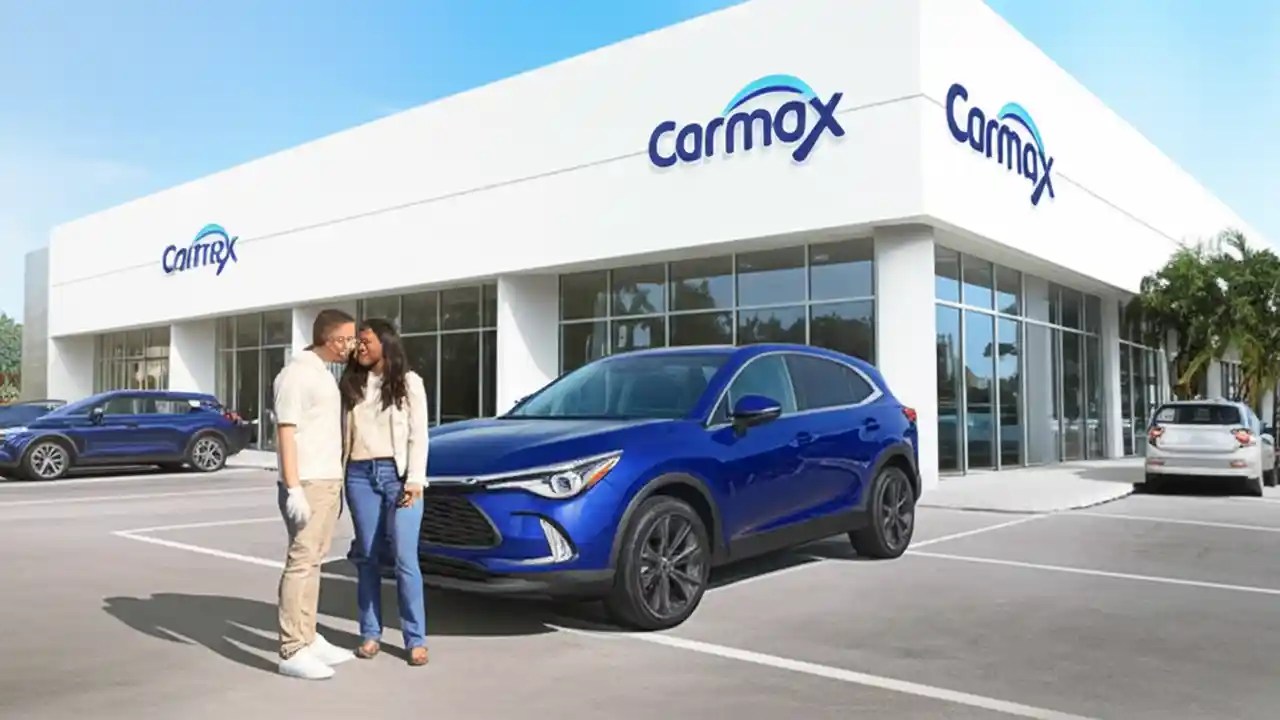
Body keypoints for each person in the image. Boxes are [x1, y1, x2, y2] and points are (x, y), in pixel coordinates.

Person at [338, 318, 430, 666]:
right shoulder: (349, 384)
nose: (360, 348)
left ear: (385, 344)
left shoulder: (409, 383)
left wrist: (415, 480)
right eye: (357, 343)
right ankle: (370, 633)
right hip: (359, 474)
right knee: (368, 557)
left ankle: (415, 638)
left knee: (406, 558)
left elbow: (419, 435)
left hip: (399, 475)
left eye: (366, 342)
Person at [273, 308, 358, 680]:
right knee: (302, 562)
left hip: (327, 481)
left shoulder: (322, 375)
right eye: (348, 339)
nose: (352, 346)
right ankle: (291, 648)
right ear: (332, 339)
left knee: (315, 562)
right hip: (306, 483)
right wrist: (293, 489)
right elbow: (286, 433)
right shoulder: (295, 376)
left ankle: (308, 637)